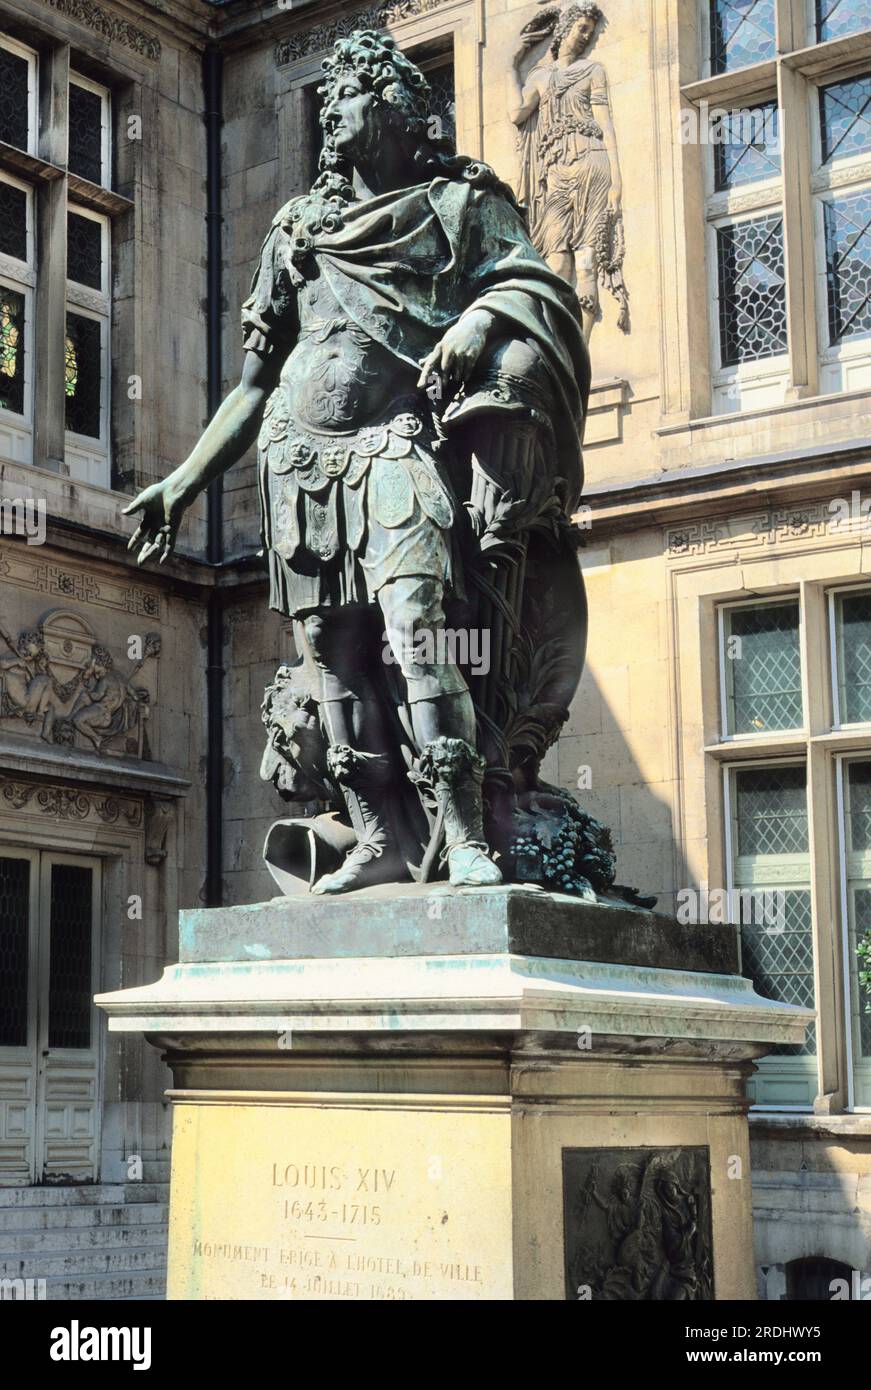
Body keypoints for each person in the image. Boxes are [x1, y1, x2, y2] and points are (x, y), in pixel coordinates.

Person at [125, 29, 589, 896]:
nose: (329, 112)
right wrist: (183, 483)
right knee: (332, 663)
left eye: (347, 96)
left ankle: (465, 836)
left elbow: (535, 287)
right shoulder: (296, 228)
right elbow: (253, 385)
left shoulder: (458, 207)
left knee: (421, 637)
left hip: (394, 449)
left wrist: (479, 321)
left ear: (396, 111)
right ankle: (377, 838)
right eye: (327, 96)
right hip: (298, 462)